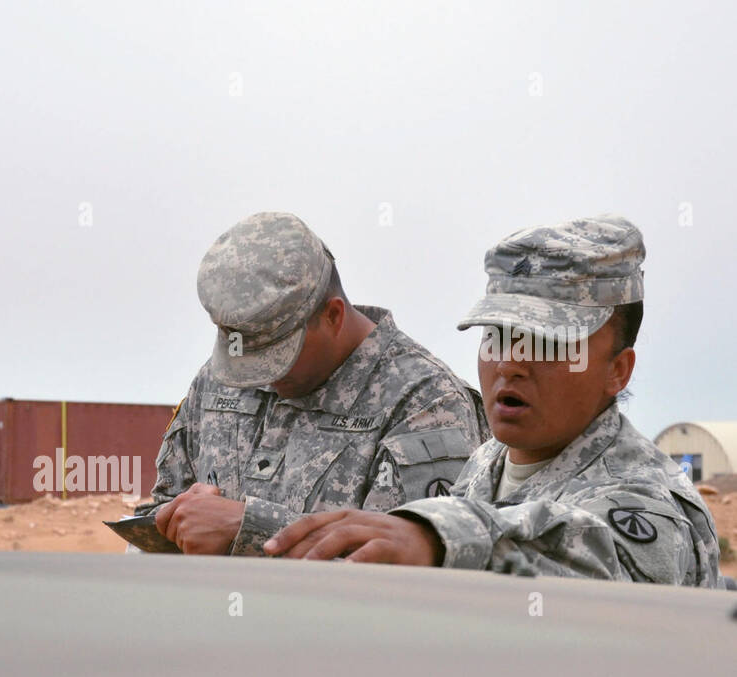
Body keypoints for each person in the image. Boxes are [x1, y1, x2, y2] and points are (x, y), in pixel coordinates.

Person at [264, 214, 724, 588]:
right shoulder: (489, 461)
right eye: (497, 336)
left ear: (617, 370)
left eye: (547, 343)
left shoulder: (651, 501)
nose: (511, 363)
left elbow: (599, 558)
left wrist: (437, 538)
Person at [148, 211, 487, 555]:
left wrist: (247, 528)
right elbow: (159, 513)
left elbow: (411, 574)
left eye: (278, 354)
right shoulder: (221, 378)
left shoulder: (426, 401)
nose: (260, 377)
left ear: (333, 316)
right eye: (245, 357)